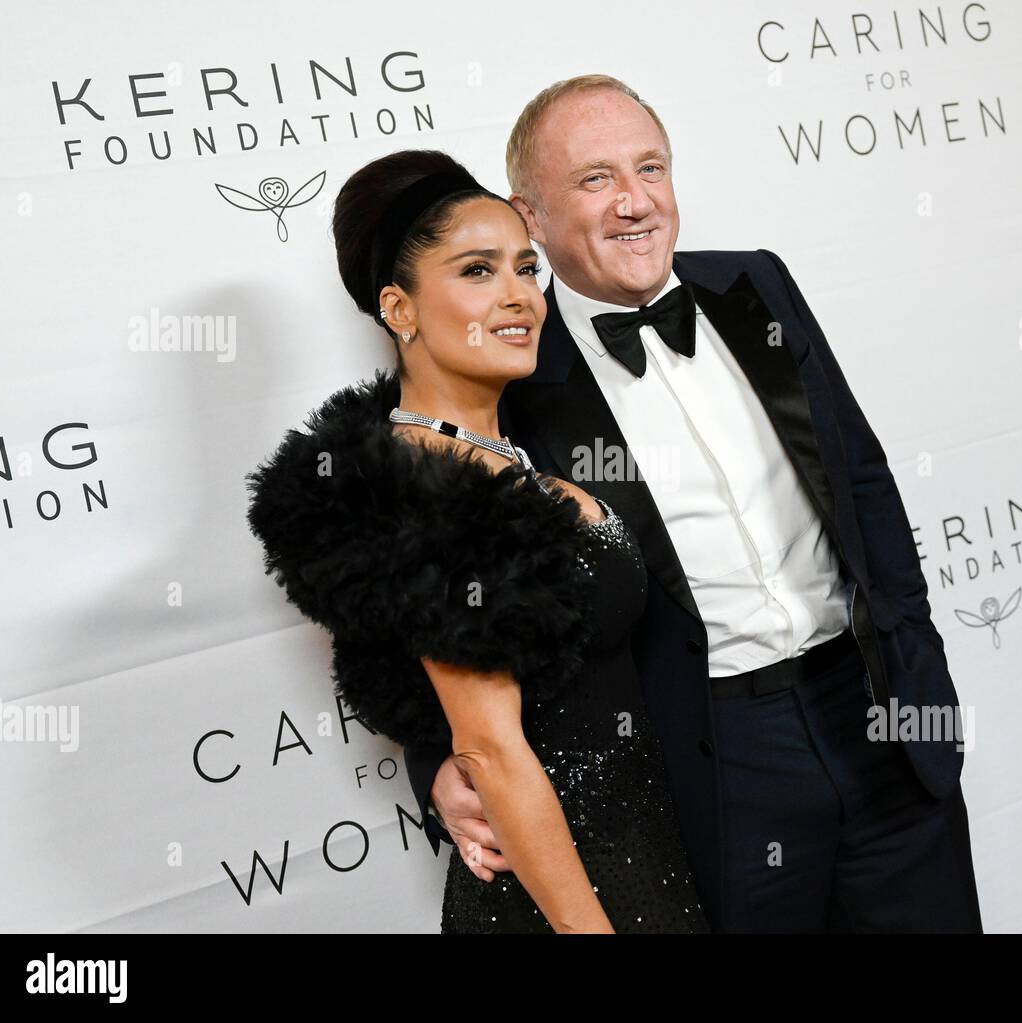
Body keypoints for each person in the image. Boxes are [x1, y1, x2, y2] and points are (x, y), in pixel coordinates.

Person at [410, 75, 985, 933]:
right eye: (596, 179)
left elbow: (861, 476)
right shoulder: (510, 383)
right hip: (709, 765)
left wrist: (917, 654)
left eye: (652, 167)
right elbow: (439, 599)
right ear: (529, 216)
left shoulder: (757, 286)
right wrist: (439, 762)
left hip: (879, 719)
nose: (635, 202)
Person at [244, 149, 710, 933]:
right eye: (477, 271)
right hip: (568, 899)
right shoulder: (427, 489)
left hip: (646, 855)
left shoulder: (508, 454)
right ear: (400, 309)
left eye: (526, 268)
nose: (519, 295)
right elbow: (490, 752)